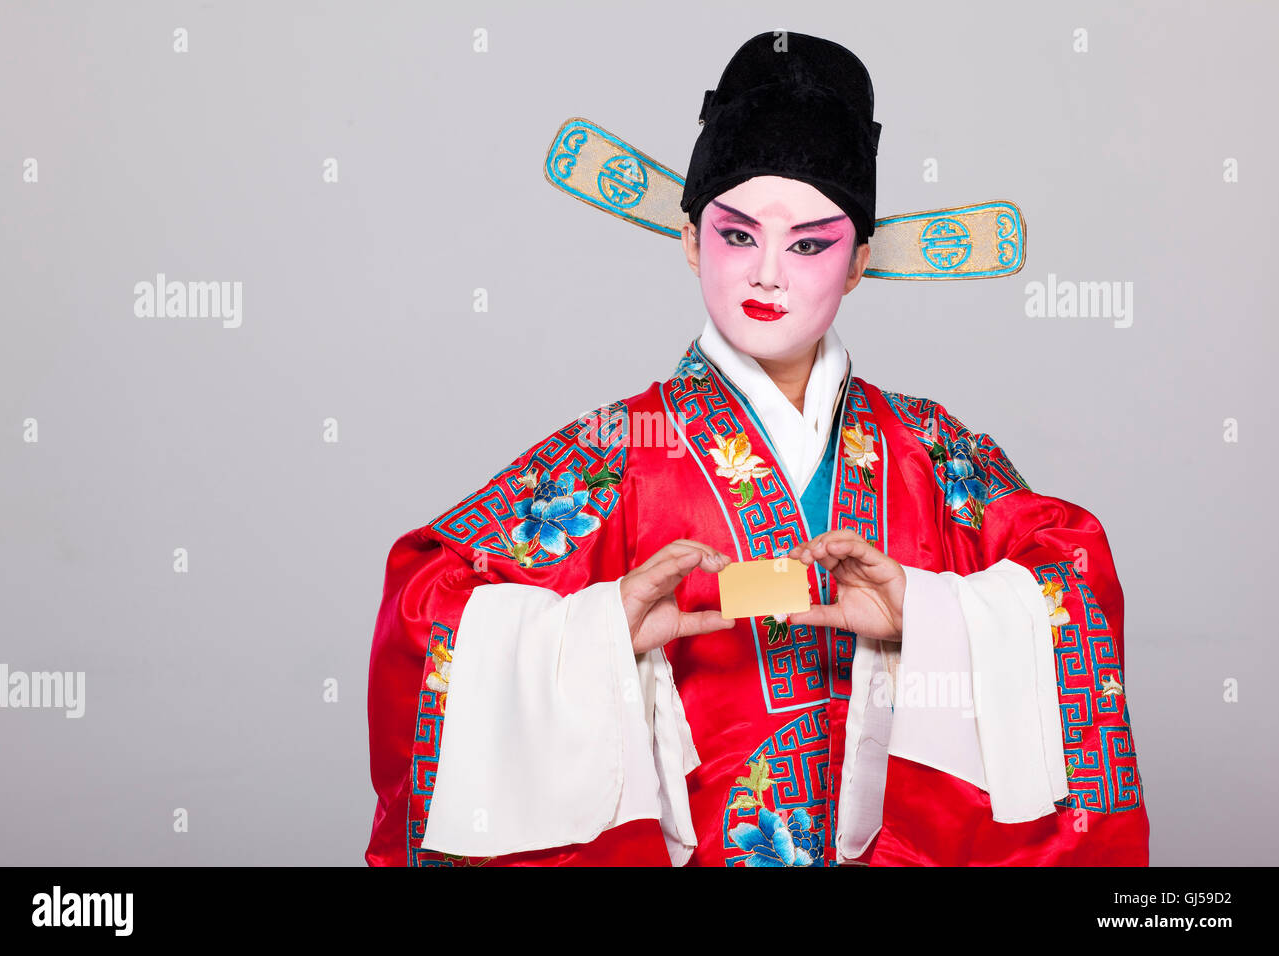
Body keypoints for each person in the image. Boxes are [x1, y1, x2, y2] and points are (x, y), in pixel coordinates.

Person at [365, 31, 1149, 867]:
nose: (767, 273)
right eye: (738, 236)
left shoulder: (930, 451)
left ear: (858, 264)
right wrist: (596, 632)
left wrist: (926, 615)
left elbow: (1074, 584)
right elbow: (426, 610)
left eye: (810, 243)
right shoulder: (616, 453)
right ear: (691, 240)